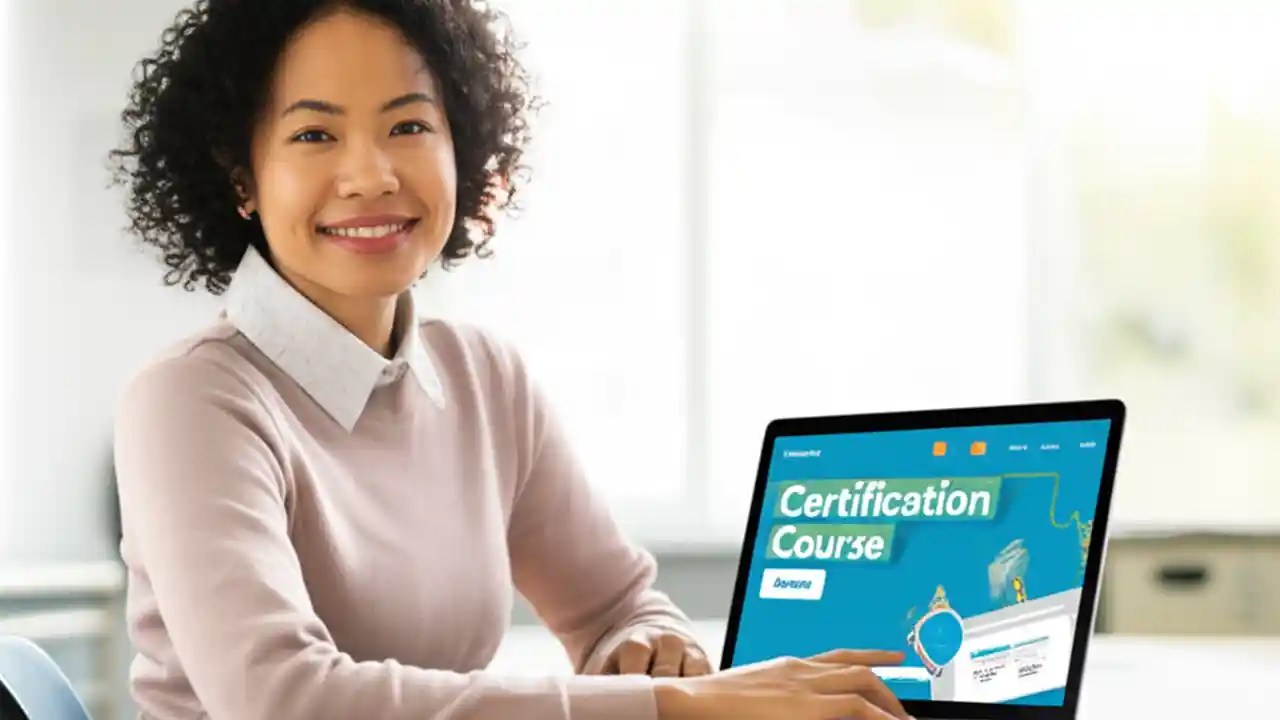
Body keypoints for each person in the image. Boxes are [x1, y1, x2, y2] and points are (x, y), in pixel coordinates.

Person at [107, 1, 911, 718]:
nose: (371, 174)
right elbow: (281, 700)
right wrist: (674, 705)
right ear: (240, 174)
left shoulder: (484, 378)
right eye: (314, 134)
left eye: (410, 125)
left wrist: (647, 645)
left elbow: (617, 606)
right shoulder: (192, 401)